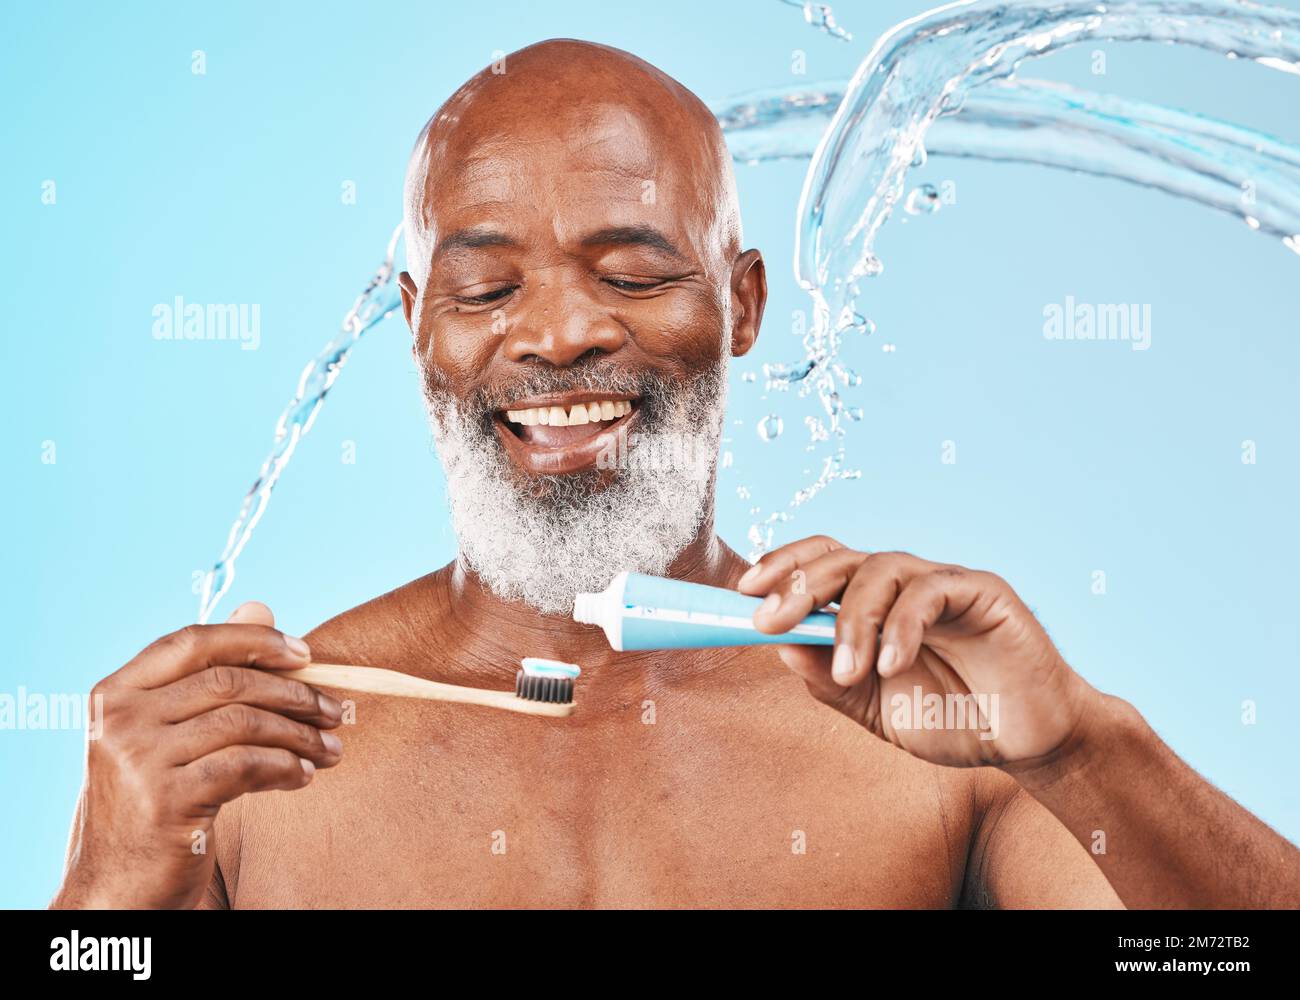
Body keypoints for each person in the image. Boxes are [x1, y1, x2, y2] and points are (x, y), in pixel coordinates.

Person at [53, 39, 1300, 909]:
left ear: (743, 304)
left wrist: (1082, 748)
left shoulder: (923, 741)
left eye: (634, 273)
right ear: (416, 325)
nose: (557, 335)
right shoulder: (267, 753)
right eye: (487, 287)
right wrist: (105, 889)